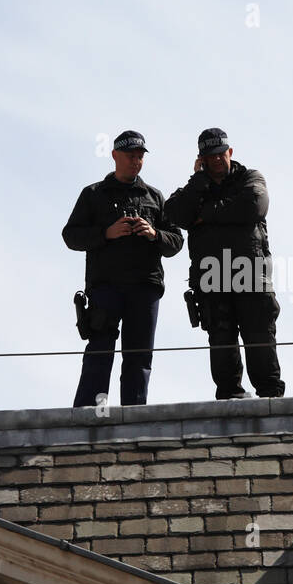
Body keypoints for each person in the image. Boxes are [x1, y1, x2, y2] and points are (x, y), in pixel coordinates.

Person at [62, 130, 183, 406]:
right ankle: (89, 410)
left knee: (139, 355)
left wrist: (153, 234)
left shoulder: (155, 196)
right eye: (130, 156)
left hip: (145, 287)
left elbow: (176, 242)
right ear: (115, 156)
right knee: (100, 349)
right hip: (106, 287)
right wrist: (107, 233)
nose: (136, 162)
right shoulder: (93, 194)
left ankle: (135, 412)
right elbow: (70, 236)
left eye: (140, 157)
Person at [165, 127, 285, 399]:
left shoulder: (250, 178)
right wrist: (197, 181)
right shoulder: (193, 189)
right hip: (211, 277)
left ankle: (270, 398)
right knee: (221, 341)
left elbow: (254, 206)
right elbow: (175, 214)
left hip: (250, 273)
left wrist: (206, 214)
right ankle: (230, 399)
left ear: (230, 152)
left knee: (259, 336)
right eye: (210, 156)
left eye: (221, 153)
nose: (217, 159)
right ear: (201, 159)